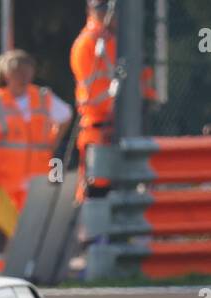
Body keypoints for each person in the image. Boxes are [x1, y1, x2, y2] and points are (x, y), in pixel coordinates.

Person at [0, 50, 71, 273]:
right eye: (18, 72)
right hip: (4, 181)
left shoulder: (42, 97)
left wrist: (54, 140)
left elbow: (65, 115)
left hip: (36, 181)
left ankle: (28, 271)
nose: (23, 77)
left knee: (33, 228)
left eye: (27, 71)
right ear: (6, 74)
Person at [70, 0, 157, 199]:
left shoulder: (124, 40)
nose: (110, 13)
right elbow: (94, 93)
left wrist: (146, 100)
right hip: (101, 128)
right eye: (101, 8)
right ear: (90, 10)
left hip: (128, 125)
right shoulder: (89, 42)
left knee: (131, 185)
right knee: (98, 187)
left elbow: (143, 78)